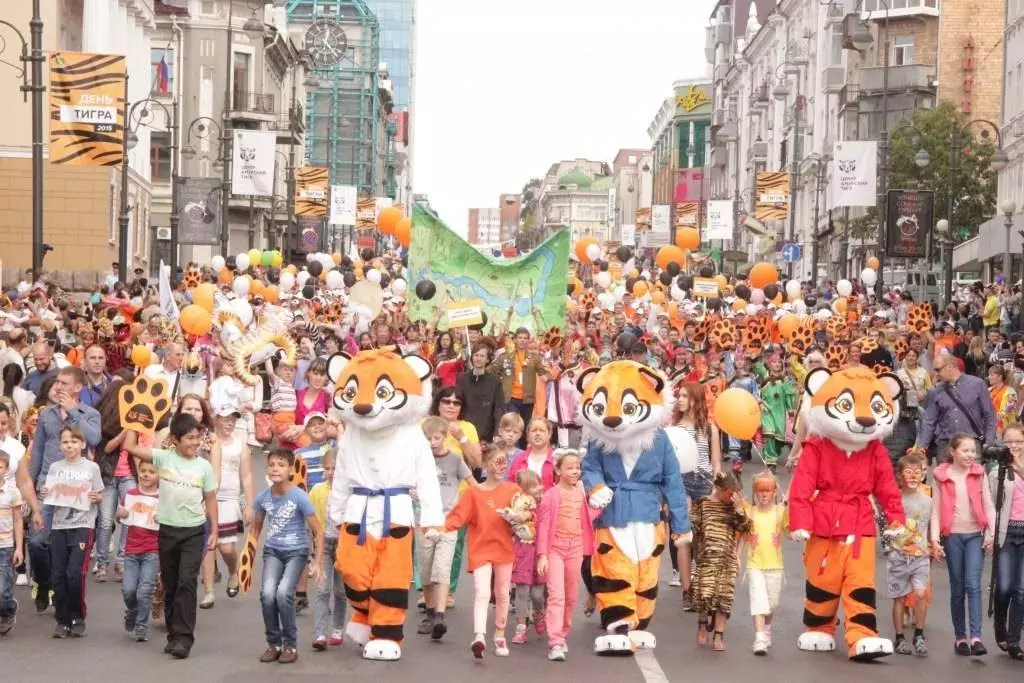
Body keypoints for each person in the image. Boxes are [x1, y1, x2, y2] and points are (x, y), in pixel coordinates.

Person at [125, 412, 219, 660]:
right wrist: (137, 419)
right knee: (171, 583)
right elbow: (131, 447)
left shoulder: (204, 467)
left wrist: (215, 531)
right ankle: (173, 635)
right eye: (189, 438)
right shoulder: (163, 458)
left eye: (198, 438)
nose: (195, 443)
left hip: (193, 531)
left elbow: (210, 499)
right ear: (175, 439)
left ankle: (184, 638)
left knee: (187, 582)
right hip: (166, 530)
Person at [27, 367, 101, 614]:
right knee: (37, 541)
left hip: (76, 490)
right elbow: (37, 451)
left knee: (65, 548)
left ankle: (64, 598)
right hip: (47, 487)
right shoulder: (46, 414)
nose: (58, 387)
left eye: (64, 383)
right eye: (57, 382)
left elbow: (94, 438)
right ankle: (43, 580)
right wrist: (29, 487)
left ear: (77, 388)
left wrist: (72, 412)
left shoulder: (89, 414)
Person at [444, 440, 521, 659]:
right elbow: (459, 516)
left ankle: (499, 633)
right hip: (481, 550)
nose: (501, 466)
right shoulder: (474, 493)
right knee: (482, 592)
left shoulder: (513, 490)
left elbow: (527, 516)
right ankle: (479, 635)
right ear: (485, 466)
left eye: (504, 462)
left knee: (503, 592)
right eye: (497, 462)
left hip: (504, 548)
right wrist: (439, 528)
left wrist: (519, 521)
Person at [253, 448, 324, 665]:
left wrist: (317, 562)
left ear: (291, 469)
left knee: (283, 593)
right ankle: (274, 643)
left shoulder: (299, 497)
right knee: (267, 594)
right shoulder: (263, 498)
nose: (276, 469)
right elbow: (255, 530)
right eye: (272, 465)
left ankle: (290, 645)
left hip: (297, 552)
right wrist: (244, 564)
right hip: (273, 551)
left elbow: (318, 531)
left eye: (281, 465)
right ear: (267, 469)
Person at [931, 434, 996, 656]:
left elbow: (988, 505)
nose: (971, 455)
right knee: (958, 588)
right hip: (953, 536)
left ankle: (976, 637)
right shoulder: (941, 476)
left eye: (973, 451)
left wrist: (991, 533)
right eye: (965, 450)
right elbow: (935, 510)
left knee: (973, 585)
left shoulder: (979, 474)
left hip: (974, 535)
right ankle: (960, 637)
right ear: (953, 451)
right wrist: (934, 539)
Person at [535, 448, 597, 662]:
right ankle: (555, 642)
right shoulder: (550, 495)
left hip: (576, 548)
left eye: (577, 468)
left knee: (571, 597)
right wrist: (542, 554)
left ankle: (562, 632)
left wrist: (601, 505)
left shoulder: (581, 493)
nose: (574, 471)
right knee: (556, 596)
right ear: (558, 470)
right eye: (569, 468)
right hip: (555, 550)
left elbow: (588, 516)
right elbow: (543, 525)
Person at [42, 426, 103, 638]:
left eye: (74, 441)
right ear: (60, 445)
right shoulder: (55, 468)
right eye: (66, 442)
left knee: (74, 573)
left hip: (83, 525)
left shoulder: (91, 467)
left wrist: (97, 497)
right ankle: (62, 619)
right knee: (58, 574)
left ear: (83, 444)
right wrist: (46, 492)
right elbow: (49, 494)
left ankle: (78, 615)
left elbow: (99, 494)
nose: (70, 445)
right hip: (59, 526)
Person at [416, 417, 473, 641]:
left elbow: (472, 483)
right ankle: (430, 613)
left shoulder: (455, 460)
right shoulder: (419, 462)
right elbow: (408, 483)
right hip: (424, 522)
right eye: (428, 438)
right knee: (427, 572)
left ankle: (439, 616)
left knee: (442, 570)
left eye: (437, 438)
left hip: (448, 523)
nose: (432, 442)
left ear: (445, 437)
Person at [691, 471, 752, 652]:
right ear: (718, 488)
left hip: (727, 559)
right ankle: (702, 626)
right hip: (707, 558)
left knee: (723, 599)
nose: (732, 496)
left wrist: (740, 511)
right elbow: (694, 529)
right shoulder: (703, 503)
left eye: (735, 492)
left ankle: (718, 636)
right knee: (705, 595)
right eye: (729, 492)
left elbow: (746, 529)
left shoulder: (735, 507)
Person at [201, 407, 254, 608]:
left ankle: (233, 570)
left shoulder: (240, 445)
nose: (229, 423)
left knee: (226, 547)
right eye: (225, 419)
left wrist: (249, 504)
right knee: (209, 545)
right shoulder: (207, 440)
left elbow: (247, 476)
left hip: (229, 498)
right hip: (206, 495)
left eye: (233, 420)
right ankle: (209, 592)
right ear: (216, 420)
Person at [886, 453, 933, 657]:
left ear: (924, 475)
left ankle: (919, 634)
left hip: (920, 556)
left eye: (918, 472)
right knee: (899, 598)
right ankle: (899, 637)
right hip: (898, 556)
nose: (914, 476)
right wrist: (892, 538)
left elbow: (930, 525)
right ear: (899, 476)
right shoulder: (894, 500)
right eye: (908, 472)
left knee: (921, 593)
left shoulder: (928, 501)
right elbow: (886, 526)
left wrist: (935, 544)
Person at [917, 351, 997, 462]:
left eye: (938, 369)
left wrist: (989, 443)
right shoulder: (935, 391)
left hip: (972, 445)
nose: (936, 374)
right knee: (944, 479)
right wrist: (922, 447)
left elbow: (989, 415)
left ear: (950, 366)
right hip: (945, 446)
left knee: (972, 478)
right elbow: (929, 421)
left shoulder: (977, 384)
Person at [117, 459, 160, 642]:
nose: (146, 475)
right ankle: (132, 610)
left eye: (151, 471)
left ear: (159, 476)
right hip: (132, 550)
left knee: (146, 589)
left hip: (152, 549)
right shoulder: (130, 494)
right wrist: (120, 515)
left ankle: (142, 625)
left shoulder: (162, 498)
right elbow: (121, 518)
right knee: (128, 589)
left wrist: (162, 517)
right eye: (143, 471)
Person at [991, 424, 1024, 657]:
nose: (1014, 446)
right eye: (1009, 442)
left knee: (1021, 590)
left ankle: (1014, 642)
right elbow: (992, 504)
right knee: (1004, 587)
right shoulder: (998, 471)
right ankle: (999, 622)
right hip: (1007, 532)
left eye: (1018, 442)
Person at [745, 472, 786, 656]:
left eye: (767, 491)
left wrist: (799, 534)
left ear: (774, 492)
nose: (763, 495)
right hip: (754, 565)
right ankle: (759, 638)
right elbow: (738, 531)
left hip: (775, 566)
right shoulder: (749, 512)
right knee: (758, 601)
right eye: (759, 491)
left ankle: (767, 629)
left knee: (771, 603)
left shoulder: (780, 511)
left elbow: (790, 530)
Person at [309, 449, 345, 650]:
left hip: (342, 545)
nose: (331, 472)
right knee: (323, 589)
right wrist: (311, 554)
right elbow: (310, 519)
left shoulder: (348, 491)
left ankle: (338, 628)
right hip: (323, 543)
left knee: (340, 591)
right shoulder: (317, 491)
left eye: (335, 468)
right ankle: (320, 633)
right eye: (328, 468)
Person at [489, 327, 547, 441]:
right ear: (515, 339)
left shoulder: (534, 358)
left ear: (528, 340)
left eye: (525, 338)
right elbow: (491, 370)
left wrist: (548, 375)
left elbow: (544, 373)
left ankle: (522, 454)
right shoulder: (506, 356)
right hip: (510, 399)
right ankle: (510, 453)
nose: (522, 340)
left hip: (527, 399)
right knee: (512, 427)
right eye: (520, 338)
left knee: (524, 430)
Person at [510, 469, 544, 645]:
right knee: (521, 592)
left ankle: (539, 613)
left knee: (538, 594)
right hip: (523, 553)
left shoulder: (543, 506)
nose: (538, 488)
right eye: (533, 487)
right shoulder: (517, 507)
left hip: (540, 554)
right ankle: (521, 627)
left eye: (539, 484)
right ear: (523, 491)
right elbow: (511, 528)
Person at [456, 343, 505, 443]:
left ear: (487, 359)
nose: (478, 359)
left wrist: (497, 433)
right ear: (472, 357)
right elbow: (458, 402)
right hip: (466, 427)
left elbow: (498, 408)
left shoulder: (495, 381)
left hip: (486, 429)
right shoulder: (462, 378)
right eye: (476, 355)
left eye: (482, 356)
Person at [0, 450, 24, 635]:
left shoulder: (12, 492)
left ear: (6, 469)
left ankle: (8, 609)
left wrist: (19, 548)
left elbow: (18, 520)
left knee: (3, 589)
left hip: (5, 545)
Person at [507, 417, 555, 489]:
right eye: (534, 430)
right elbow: (511, 485)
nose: (537, 433)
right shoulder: (519, 460)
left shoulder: (556, 459)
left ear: (549, 434)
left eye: (542, 430)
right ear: (528, 435)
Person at [143, 341, 185, 409]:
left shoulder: (183, 378)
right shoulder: (151, 370)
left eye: (182, 355)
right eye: (178, 355)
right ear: (168, 356)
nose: (181, 358)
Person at [989, 365, 1017, 434]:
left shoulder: (1011, 392)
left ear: (1000, 377)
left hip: (1006, 429)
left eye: (992, 375)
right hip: (992, 428)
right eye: (989, 375)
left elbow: (1007, 411)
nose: (989, 377)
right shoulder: (989, 390)